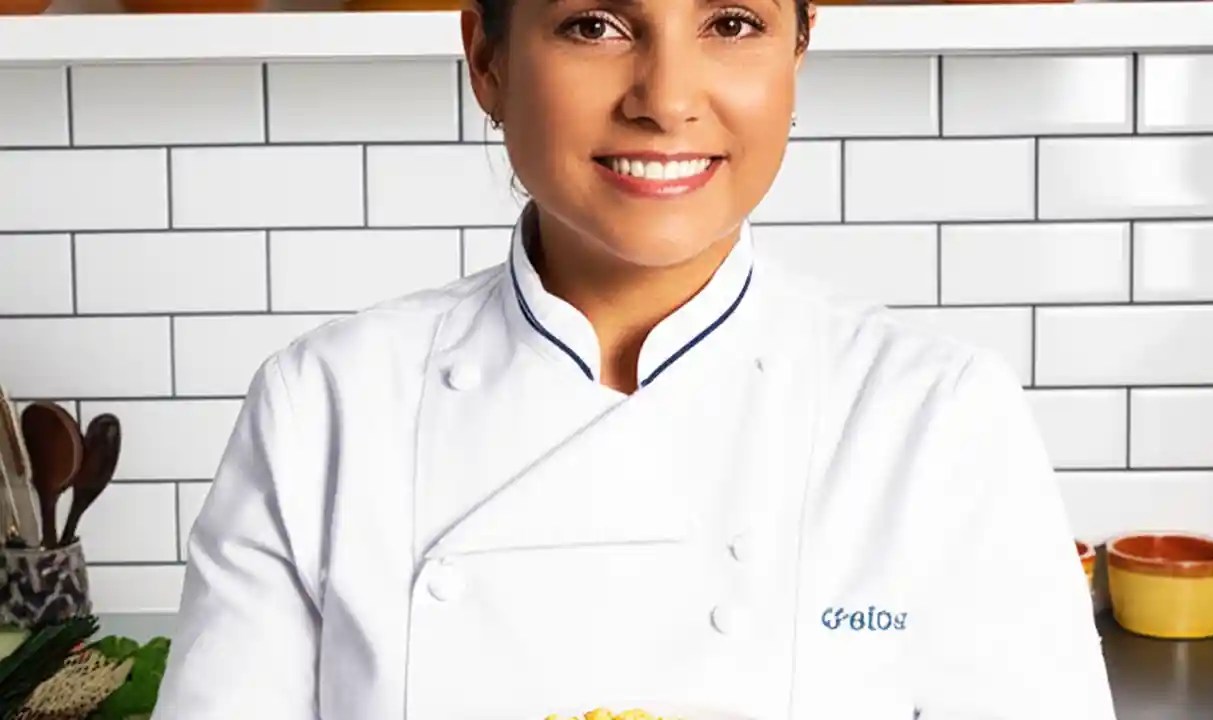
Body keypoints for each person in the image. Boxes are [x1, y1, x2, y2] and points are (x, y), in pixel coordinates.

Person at [153, 0, 1116, 717]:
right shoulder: (326, 405)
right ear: (486, 61)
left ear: (798, 52)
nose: (666, 100)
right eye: (596, 24)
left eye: (732, 22)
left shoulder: (935, 415)